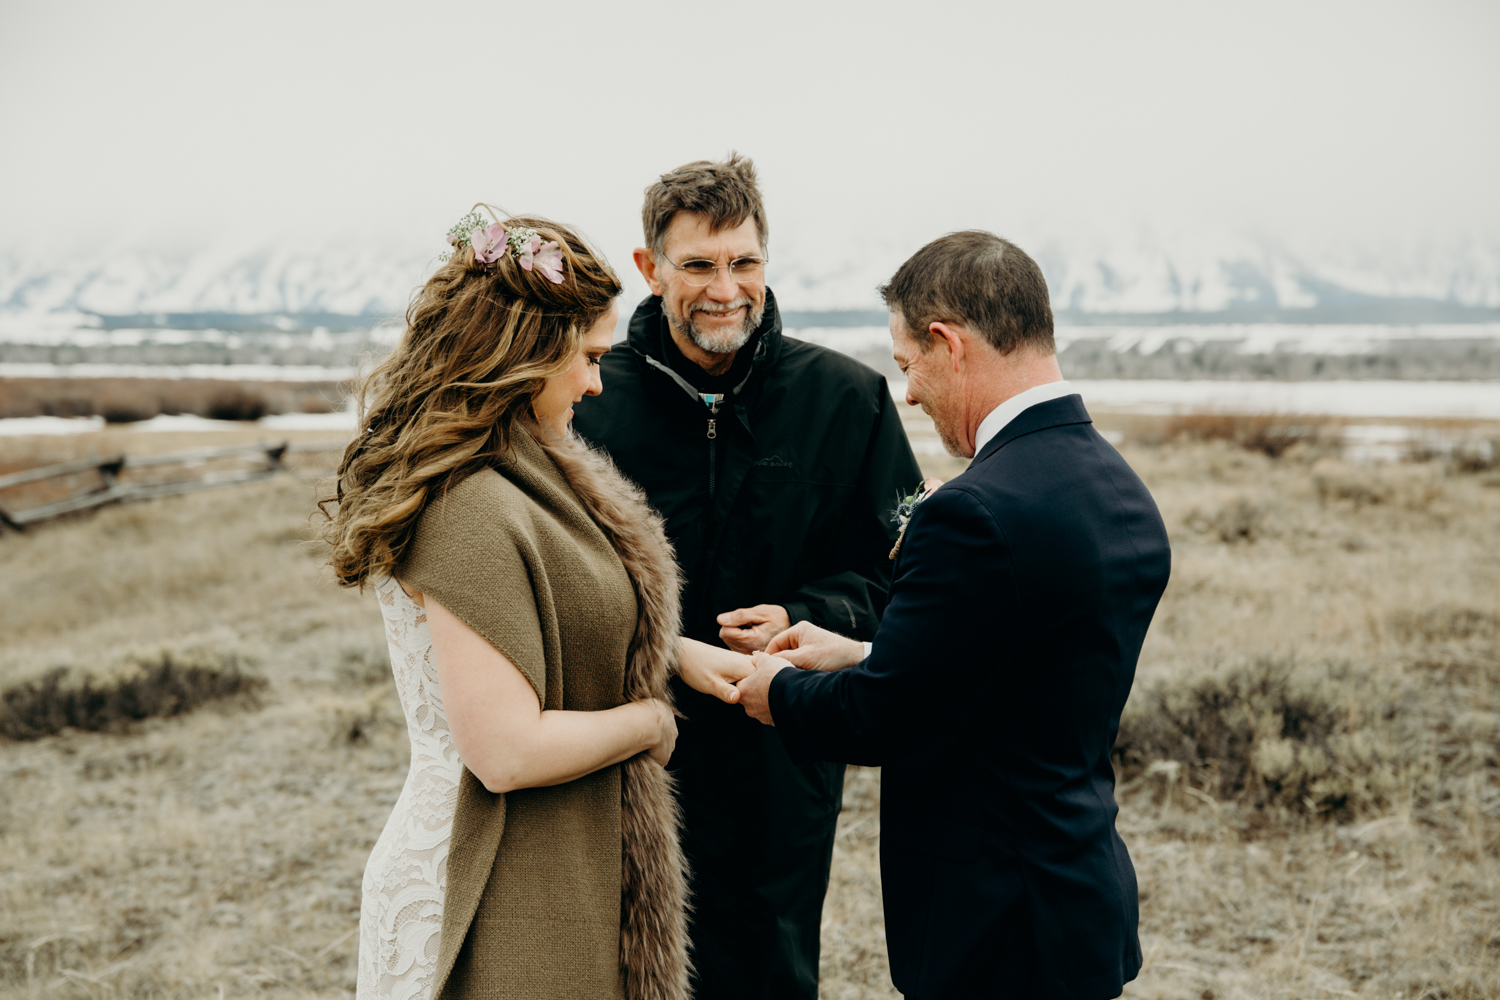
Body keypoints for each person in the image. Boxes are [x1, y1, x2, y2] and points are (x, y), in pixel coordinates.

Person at [736, 231, 1173, 999]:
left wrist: (774, 690)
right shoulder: (1118, 486)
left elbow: (884, 717)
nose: (906, 392)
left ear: (948, 343)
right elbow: (1006, 672)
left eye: (908, 366)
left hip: (993, 923)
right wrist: (861, 650)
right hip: (1077, 895)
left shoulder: (974, 511)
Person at [327, 209, 748, 1000]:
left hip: (551, 858)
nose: (597, 381)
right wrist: (652, 720)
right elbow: (506, 750)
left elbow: (558, 615)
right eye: (587, 357)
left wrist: (673, 654)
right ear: (522, 354)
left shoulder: (530, 473)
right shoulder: (468, 505)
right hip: (476, 874)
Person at [571, 155, 924, 999]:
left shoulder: (848, 399)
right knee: (616, 969)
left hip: (781, 752)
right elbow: (557, 580)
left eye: (744, 262)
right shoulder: (587, 401)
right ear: (649, 270)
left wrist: (805, 615)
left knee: (768, 972)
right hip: (621, 746)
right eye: (697, 265)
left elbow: (898, 577)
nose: (724, 288)